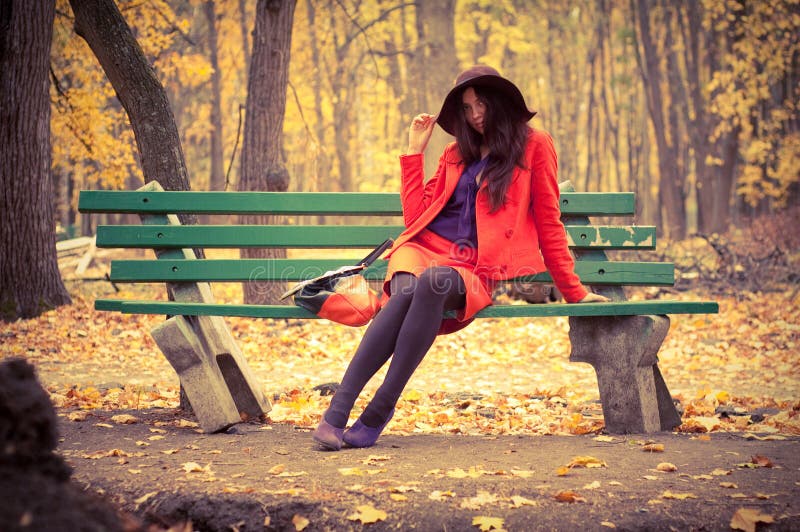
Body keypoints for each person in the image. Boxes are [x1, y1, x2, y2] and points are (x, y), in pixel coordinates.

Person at [312, 65, 608, 451]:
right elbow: (418, 218)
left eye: (480, 103)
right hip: (420, 249)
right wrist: (414, 153)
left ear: (500, 100)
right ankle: (336, 415)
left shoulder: (536, 145)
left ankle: (379, 408)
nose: (475, 114)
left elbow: (549, 221)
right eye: (467, 108)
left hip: (471, 267)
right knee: (405, 292)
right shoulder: (455, 153)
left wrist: (575, 293)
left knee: (432, 285)